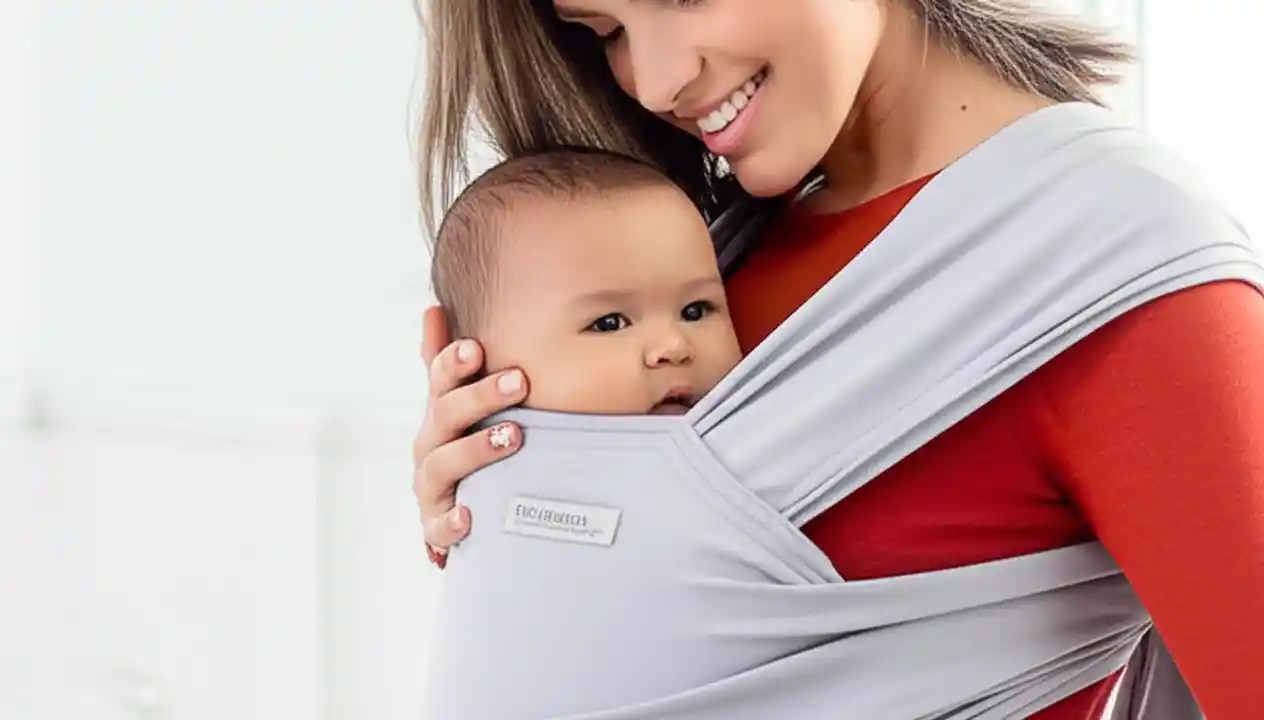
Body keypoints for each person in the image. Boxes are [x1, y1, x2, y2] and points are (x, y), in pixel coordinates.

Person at [411, 2, 1264, 717]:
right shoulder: (702, 251)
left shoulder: (1119, 267)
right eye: (607, 29)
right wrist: (511, 491)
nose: (659, 77)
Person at [430, 148, 741, 418]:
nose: (674, 347)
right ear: (476, 367)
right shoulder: (519, 476)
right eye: (609, 323)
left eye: (695, 311)